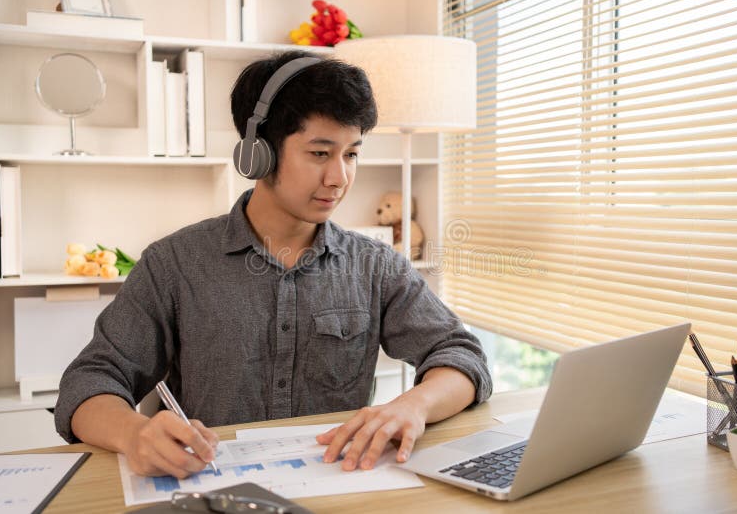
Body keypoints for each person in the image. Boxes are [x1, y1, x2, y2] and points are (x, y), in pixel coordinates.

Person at [55, 50, 492, 479]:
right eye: (320, 153)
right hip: (215, 492)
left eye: (352, 154)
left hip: (341, 489)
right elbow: (88, 382)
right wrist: (135, 434)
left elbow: (462, 356)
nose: (339, 177)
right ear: (257, 154)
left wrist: (413, 406)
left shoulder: (375, 266)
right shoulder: (174, 264)